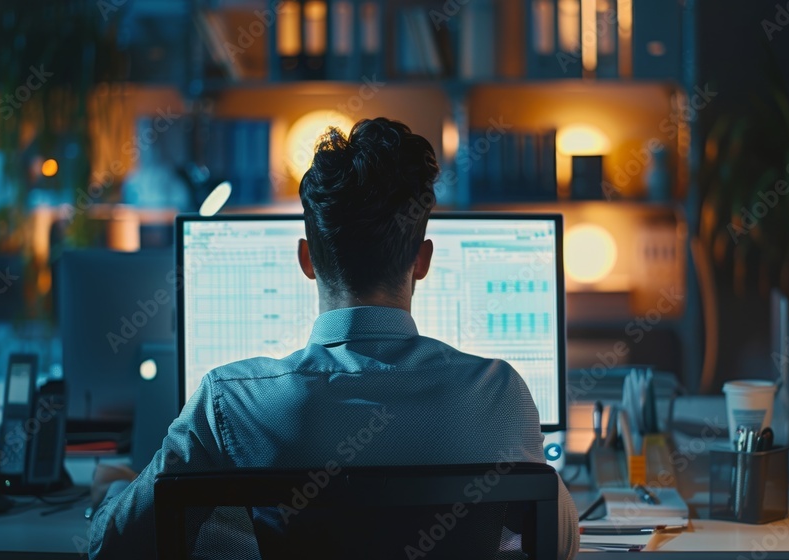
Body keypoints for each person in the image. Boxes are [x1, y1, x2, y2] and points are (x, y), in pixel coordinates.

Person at [89, 117, 579, 559]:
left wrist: (109, 492)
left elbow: (115, 546)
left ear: (306, 259)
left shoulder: (231, 403)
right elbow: (556, 542)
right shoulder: (499, 393)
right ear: (423, 261)